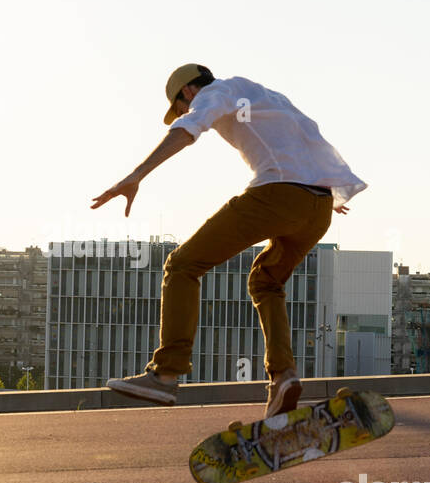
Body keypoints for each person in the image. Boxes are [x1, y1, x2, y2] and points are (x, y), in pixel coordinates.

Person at [91, 63, 366, 418]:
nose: (185, 111)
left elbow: (188, 129)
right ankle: (283, 376)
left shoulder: (212, 94)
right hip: (320, 205)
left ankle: (166, 373)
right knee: (266, 281)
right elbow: (308, 137)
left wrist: (136, 175)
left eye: (180, 106)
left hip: (279, 195)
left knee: (183, 264)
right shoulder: (266, 95)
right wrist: (316, 192)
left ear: (188, 92)